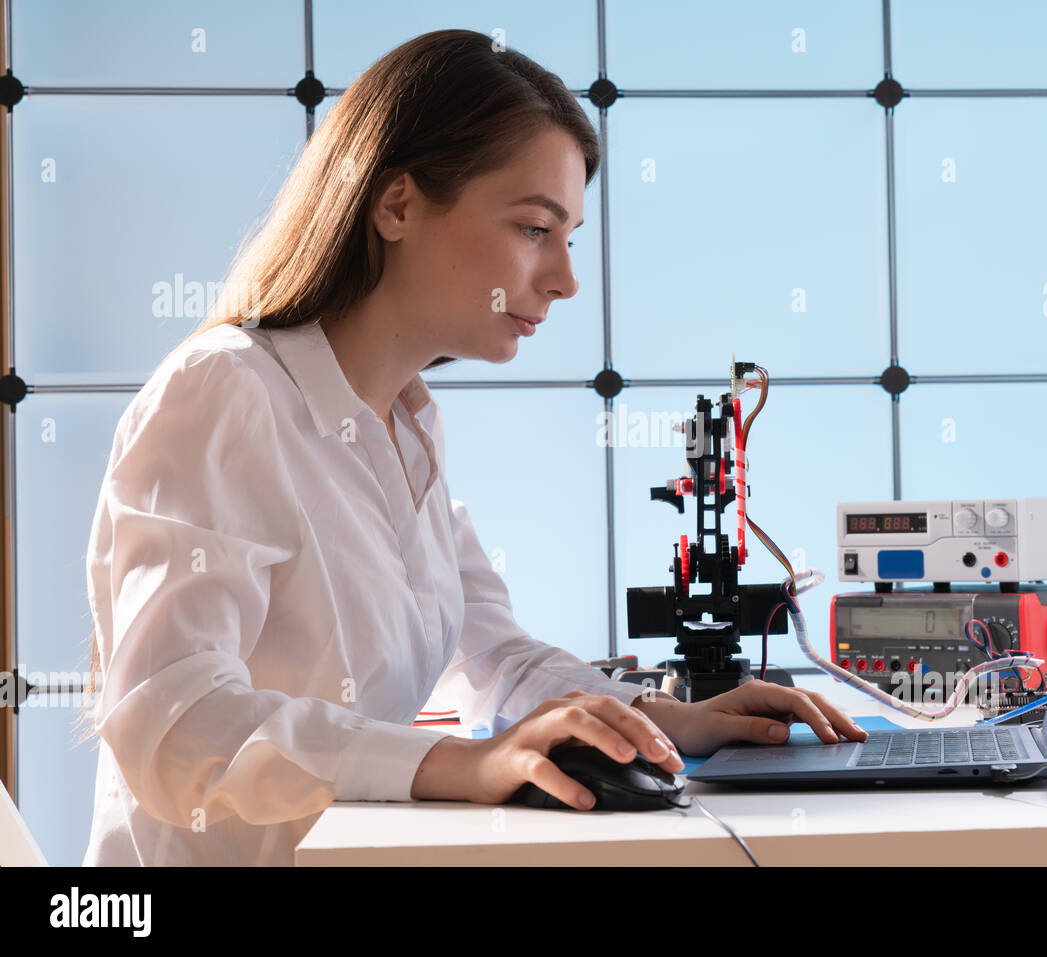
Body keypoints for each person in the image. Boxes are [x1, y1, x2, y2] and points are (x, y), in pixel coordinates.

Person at [76, 28, 865, 867]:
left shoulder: (408, 423)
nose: (563, 279)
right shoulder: (227, 391)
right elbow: (172, 717)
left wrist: (668, 718)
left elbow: (493, 654)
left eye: (569, 238)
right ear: (397, 205)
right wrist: (461, 763)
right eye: (534, 228)